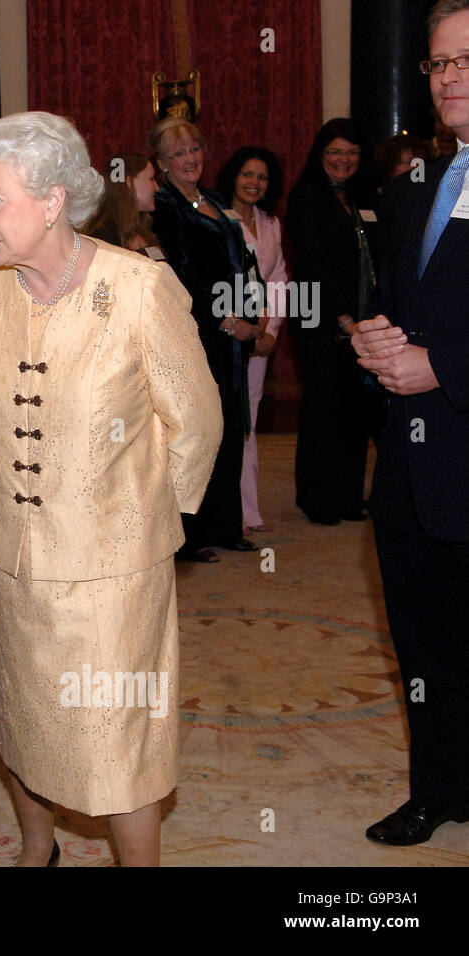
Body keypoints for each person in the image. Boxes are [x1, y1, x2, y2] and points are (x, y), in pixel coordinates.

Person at [0, 111, 221, 866]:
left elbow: (197, 421)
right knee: (24, 722)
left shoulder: (138, 288)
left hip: (114, 572)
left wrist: (137, 516)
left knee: (119, 741)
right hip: (11, 563)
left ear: (50, 202)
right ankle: (36, 849)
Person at [350, 0, 469, 846]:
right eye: (437, 63)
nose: (450, 76)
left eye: (467, 58)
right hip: (408, 466)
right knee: (424, 651)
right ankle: (436, 789)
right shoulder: (411, 189)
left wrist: (443, 367)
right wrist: (375, 339)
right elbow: (391, 304)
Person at [150, 117, 260, 561]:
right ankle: (189, 536)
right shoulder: (165, 206)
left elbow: (243, 262)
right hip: (201, 333)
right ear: (161, 163)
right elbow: (183, 276)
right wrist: (228, 322)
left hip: (236, 332)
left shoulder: (215, 199)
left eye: (194, 149)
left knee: (231, 428)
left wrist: (252, 315)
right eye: (178, 153)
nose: (189, 159)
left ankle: (226, 525)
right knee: (198, 429)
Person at [285, 118, 382, 525]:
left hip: (361, 322)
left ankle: (346, 496)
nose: (344, 160)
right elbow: (311, 264)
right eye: (335, 152)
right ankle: (318, 498)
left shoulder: (362, 196)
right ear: (320, 155)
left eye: (352, 152)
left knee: (356, 410)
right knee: (324, 409)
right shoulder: (306, 197)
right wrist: (343, 320)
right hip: (319, 318)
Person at [218, 146, 287, 533]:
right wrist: (242, 325)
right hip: (226, 333)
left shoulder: (271, 222)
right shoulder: (215, 217)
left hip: (260, 339)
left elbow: (278, 279)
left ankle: (248, 511)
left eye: (261, 177)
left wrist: (270, 330)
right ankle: (223, 511)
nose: (254, 183)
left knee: (249, 420)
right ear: (233, 176)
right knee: (224, 420)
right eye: (247, 174)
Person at [86, 152, 160, 253]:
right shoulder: (104, 238)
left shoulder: (148, 227)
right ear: (130, 182)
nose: (157, 187)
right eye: (151, 179)